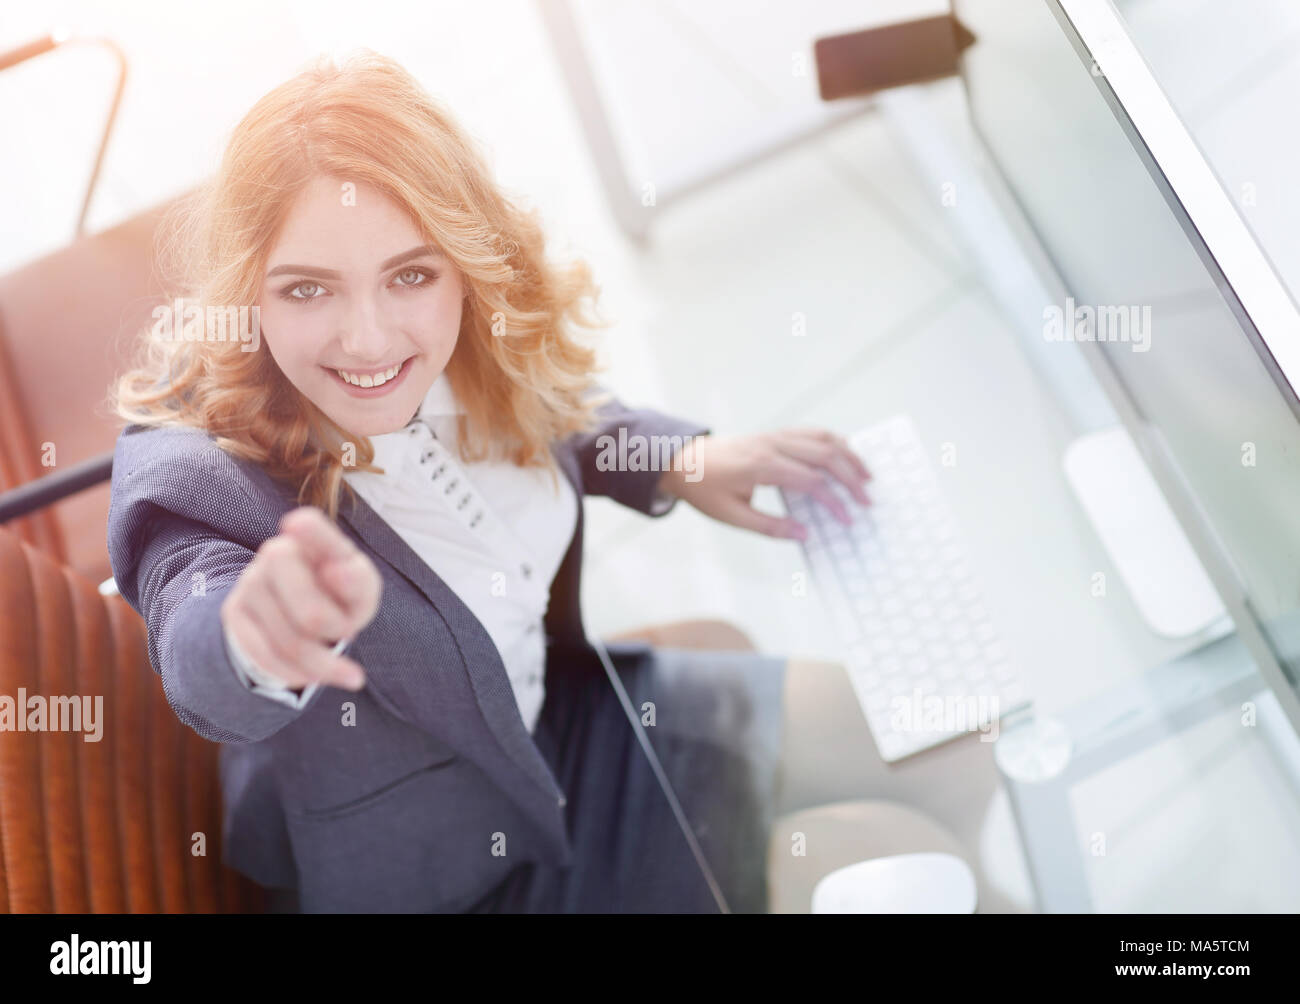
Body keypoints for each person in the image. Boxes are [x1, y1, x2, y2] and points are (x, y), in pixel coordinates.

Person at [106, 49, 871, 913]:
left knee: (910, 740)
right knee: (874, 860)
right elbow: (196, 622)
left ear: (465, 260)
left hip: (562, 730)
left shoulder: (467, 337)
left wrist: (671, 458)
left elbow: (544, 410)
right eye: (308, 289)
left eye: (410, 275)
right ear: (247, 291)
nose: (367, 341)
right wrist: (253, 641)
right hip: (454, 877)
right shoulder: (189, 477)